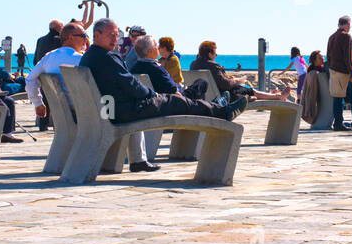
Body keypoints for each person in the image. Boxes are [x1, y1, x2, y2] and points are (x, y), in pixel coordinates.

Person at [79, 19, 245, 172]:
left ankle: (138, 160)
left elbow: (124, 83)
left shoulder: (90, 57)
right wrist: (151, 94)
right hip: (122, 111)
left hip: (109, 109)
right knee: (175, 101)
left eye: (116, 35)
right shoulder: (106, 57)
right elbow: (129, 83)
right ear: (96, 35)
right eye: (110, 35)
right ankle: (222, 112)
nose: (115, 39)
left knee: (176, 101)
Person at [26, 21, 89, 120]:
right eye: (83, 35)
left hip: (58, 112)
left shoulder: (49, 57)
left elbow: (30, 79)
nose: (86, 39)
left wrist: (38, 103)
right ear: (71, 37)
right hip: (82, 114)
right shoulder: (81, 59)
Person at [190, 41, 290, 102]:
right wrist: (236, 80)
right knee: (251, 91)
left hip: (203, 97)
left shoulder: (193, 65)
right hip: (223, 97)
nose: (216, 55)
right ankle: (277, 96)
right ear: (210, 53)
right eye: (215, 53)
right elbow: (225, 84)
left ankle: (270, 95)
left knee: (247, 89)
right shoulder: (212, 65)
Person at [327, 15, 352, 131]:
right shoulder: (346, 36)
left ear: (339, 24)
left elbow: (328, 56)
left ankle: (338, 123)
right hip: (345, 73)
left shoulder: (331, 37)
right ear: (348, 25)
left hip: (334, 71)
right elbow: (347, 57)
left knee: (337, 98)